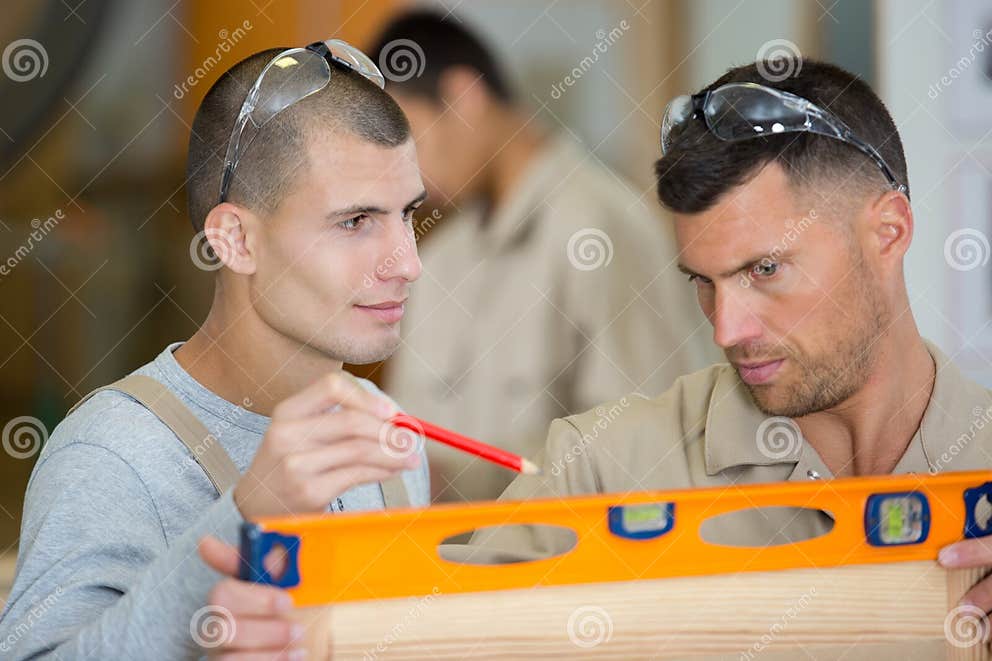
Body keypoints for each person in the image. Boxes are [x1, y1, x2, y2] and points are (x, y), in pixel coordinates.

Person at [0, 39, 429, 660]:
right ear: (234, 240)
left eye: (408, 214)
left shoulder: (386, 434)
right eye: (355, 222)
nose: (408, 263)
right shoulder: (113, 457)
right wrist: (246, 517)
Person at [370, 10, 717, 504]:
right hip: (436, 568)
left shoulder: (600, 228)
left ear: (464, 96)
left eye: (412, 140)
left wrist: (461, 479)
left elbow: (649, 449)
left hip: (561, 572)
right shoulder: (437, 256)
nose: (412, 177)